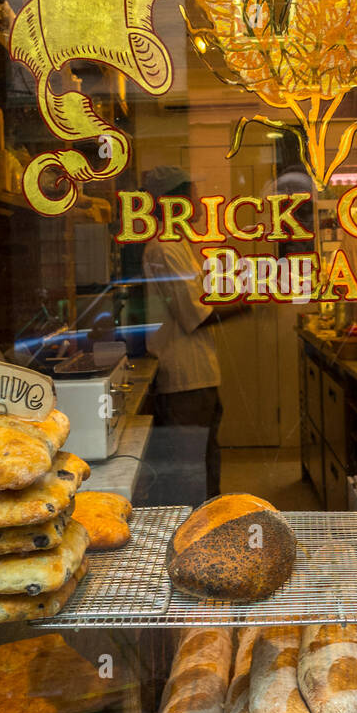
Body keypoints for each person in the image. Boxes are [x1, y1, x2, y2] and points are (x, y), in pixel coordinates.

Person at [140, 165, 248, 506]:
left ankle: (208, 527)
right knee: (190, 471)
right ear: (176, 202)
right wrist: (250, 303)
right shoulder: (165, 247)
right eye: (192, 195)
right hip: (185, 378)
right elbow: (196, 316)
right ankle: (195, 537)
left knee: (205, 461)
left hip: (199, 374)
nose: (199, 202)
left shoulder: (179, 244)